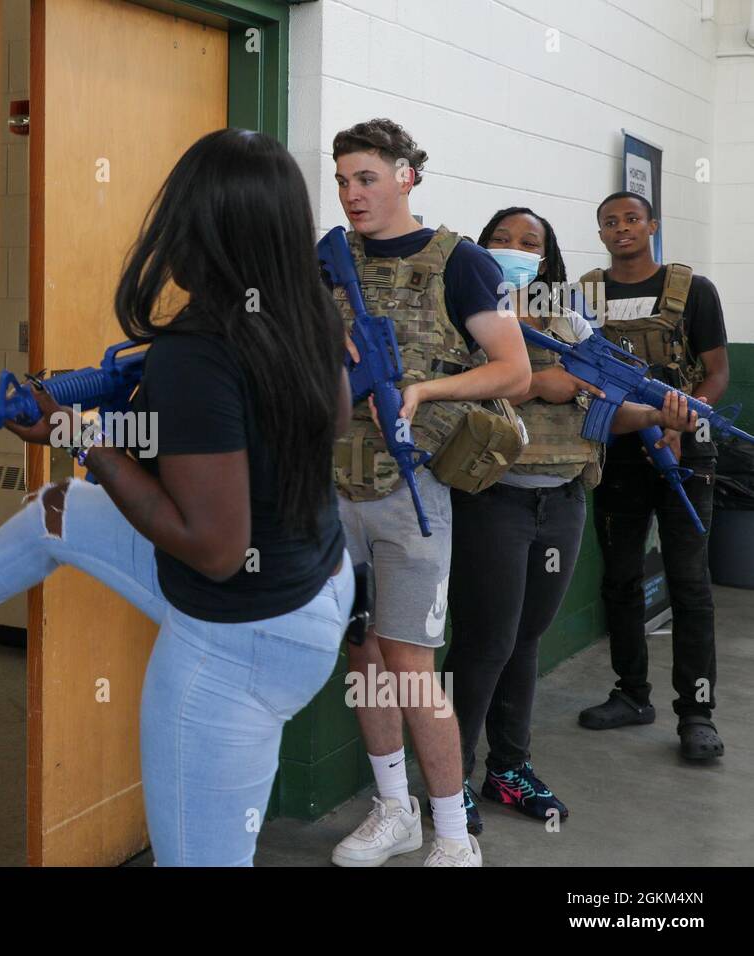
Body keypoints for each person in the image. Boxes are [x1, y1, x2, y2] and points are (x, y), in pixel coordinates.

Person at [0, 128, 354, 866]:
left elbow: (216, 548)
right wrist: (113, 426)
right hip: (312, 592)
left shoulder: (198, 352)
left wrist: (85, 436)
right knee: (58, 511)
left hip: (235, 637)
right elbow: (273, 434)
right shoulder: (308, 314)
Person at [445, 207, 696, 834]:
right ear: (480, 249)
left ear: (548, 257)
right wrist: (538, 381)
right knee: (484, 644)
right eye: (501, 240)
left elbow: (606, 411)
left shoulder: (570, 320)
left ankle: (509, 767)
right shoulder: (468, 311)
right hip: (492, 495)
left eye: (530, 242)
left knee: (525, 642)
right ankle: (450, 781)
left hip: (560, 497)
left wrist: (664, 415)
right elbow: (445, 386)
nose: (515, 250)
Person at [322, 118, 531, 868]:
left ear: (406, 175)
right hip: (333, 485)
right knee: (365, 661)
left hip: (410, 494)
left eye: (367, 178)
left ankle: (451, 832)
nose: (352, 194)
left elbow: (514, 370)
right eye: (343, 179)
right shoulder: (328, 258)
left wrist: (422, 390)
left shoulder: (459, 261)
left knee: (411, 664)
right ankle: (392, 811)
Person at [577, 191, 730, 761]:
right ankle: (631, 693)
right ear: (600, 233)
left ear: (652, 225)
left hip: (686, 458)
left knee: (689, 584)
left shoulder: (693, 291)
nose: (622, 230)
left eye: (632, 219)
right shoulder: (586, 293)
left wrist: (681, 421)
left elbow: (717, 372)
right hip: (616, 455)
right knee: (619, 580)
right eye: (610, 223)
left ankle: (696, 713)